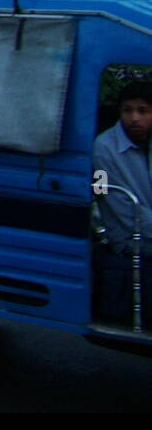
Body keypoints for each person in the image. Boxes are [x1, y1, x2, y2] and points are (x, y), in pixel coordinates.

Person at [92, 80, 152, 325]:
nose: (134, 118)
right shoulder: (104, 148)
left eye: (143, 111)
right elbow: (124, 210)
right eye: (127, 110)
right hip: (129, 237)